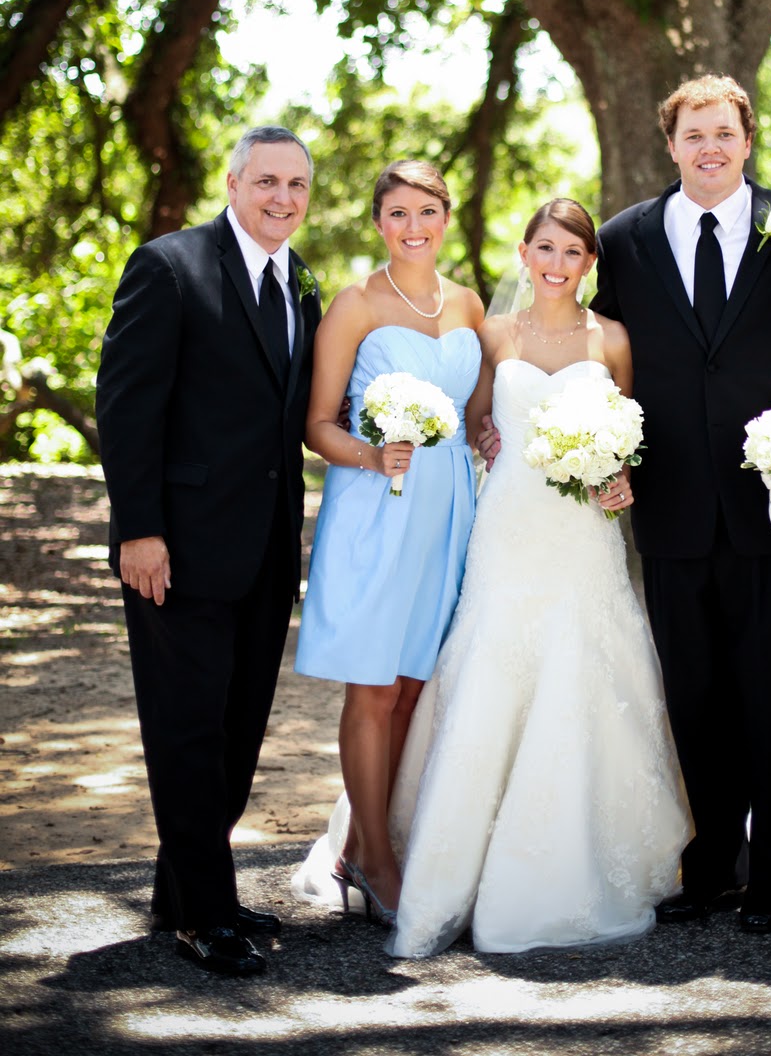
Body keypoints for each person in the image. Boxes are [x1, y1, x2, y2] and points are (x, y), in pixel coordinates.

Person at [383, 198, 689, 956]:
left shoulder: (610, 339)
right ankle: (457, 863)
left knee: (585, 665)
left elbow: (632, 437)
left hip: (584, 534)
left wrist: (619, 480)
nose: (557, 265)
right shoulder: (493, 333)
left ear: (589, 264)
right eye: (545, 250)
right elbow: (479, 423)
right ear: (524, 254)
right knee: (495, 664)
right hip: (510, 528)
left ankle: (576, 860)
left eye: (572, 254)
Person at [591, 74, 771, 933]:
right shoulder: (622, 241)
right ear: (672, 144)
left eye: (724, 132)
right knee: (693, 695)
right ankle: (711, 864)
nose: (710, 148)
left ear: (747, 139)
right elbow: (602, 362)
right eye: (694, 135)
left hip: (770, 502)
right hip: (672, 504)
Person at [96, 125, 320, 977]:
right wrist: (138, 530)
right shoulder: (168, 266)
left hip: (263, 549)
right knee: (187, 729)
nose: (282, 199)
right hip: (178, 549)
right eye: (267, 182)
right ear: (233, 183)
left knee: (235, 730)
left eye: (296, 186)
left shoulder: (299, 283)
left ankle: (183, 888)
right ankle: (205, 916)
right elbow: (126, 407)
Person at [294, 160, 484, 926]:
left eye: (427, 211)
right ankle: (374, 860)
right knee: (372, 687)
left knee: (410, 686)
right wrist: (374, 454)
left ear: (445, 216)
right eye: (397, 213)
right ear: (379, 222)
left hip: (448, 516)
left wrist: (494, 432)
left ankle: (369, 843)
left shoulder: (470, 304)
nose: (413, 226)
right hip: (377, 507)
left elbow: (477, 420)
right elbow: (316, 425)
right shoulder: (354, 305)